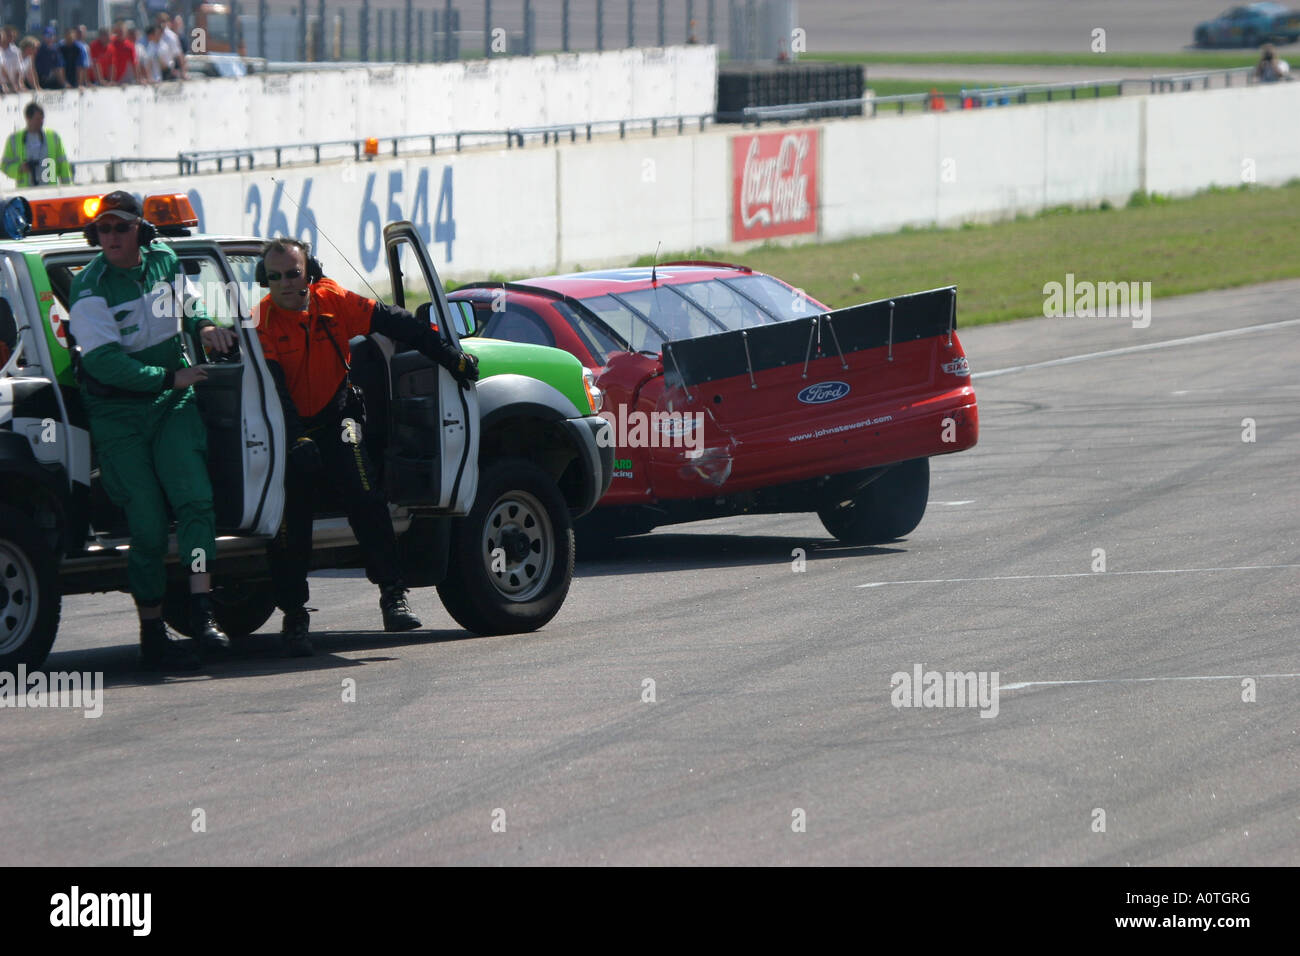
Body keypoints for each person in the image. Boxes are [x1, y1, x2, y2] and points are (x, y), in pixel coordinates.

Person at [253, 238, 480, 656]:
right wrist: (295, 437)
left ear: (311, 272)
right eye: (275, 277)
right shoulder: (261, 320)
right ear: (264, 280)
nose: (285, 283)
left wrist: (451, 357)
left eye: (293, 273)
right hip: (289, 428)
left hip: (339, 418)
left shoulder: (334, 301)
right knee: (291, 519)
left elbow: (400, 324)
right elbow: (274, 389)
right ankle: (295, 616)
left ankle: (393, 595)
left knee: (364, 493)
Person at [67, 191, 239, 671]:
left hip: (172, 404)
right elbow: (103, 362)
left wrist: (204, 327)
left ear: (141, 232)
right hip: (118, 414)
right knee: (145, 525)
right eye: (104, 229)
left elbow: (189, 306)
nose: (112, 236)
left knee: (195, 502)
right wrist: (168, 377)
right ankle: (152, 630)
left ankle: (203, 614)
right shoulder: (89, 287)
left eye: (122, 227)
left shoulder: (164, 259)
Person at [2, 102, 72, 187]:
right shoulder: (14, 139)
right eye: (38, 119)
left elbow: (63, 164)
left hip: (50, 193)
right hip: (26, 193)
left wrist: (68, 187)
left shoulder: (53, 137)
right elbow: (4, 166)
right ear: (28, 118)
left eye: (42, 119)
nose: (41, 122)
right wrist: (20, 168)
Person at [156, 12, 186, 80]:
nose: (161, 24)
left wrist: (183, 72)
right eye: (159, 21)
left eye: (163, 21)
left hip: (168, 71)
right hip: (156, 71)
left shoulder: (171, 37)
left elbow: (178, 54)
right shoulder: (155, 35)